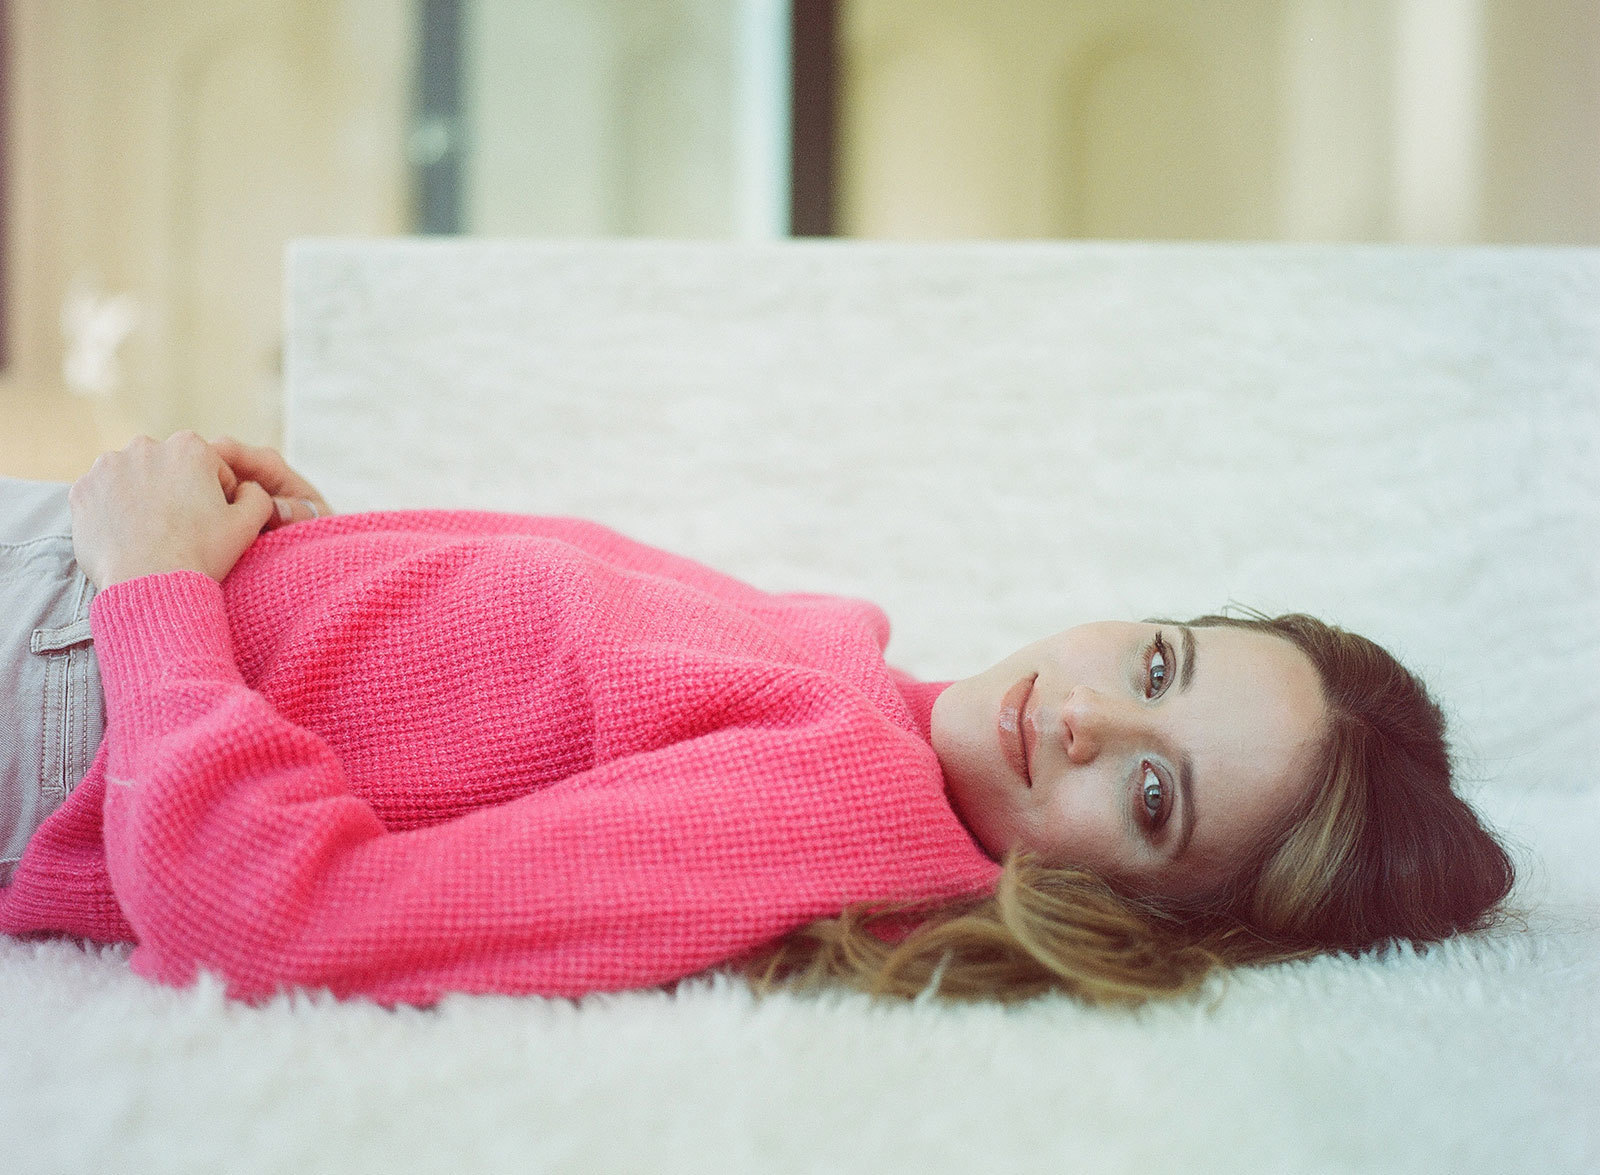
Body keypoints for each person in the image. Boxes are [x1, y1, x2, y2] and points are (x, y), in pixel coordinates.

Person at [0, 432, 1517, 1007]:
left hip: (70, 686)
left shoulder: (847, 809)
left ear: (1136, 914)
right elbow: (509, 695)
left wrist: (155, 591)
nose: (1089, 718)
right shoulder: (875, 698)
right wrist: (316, 564)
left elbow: (275, 918)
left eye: (1153, 799)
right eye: (1163, 667)